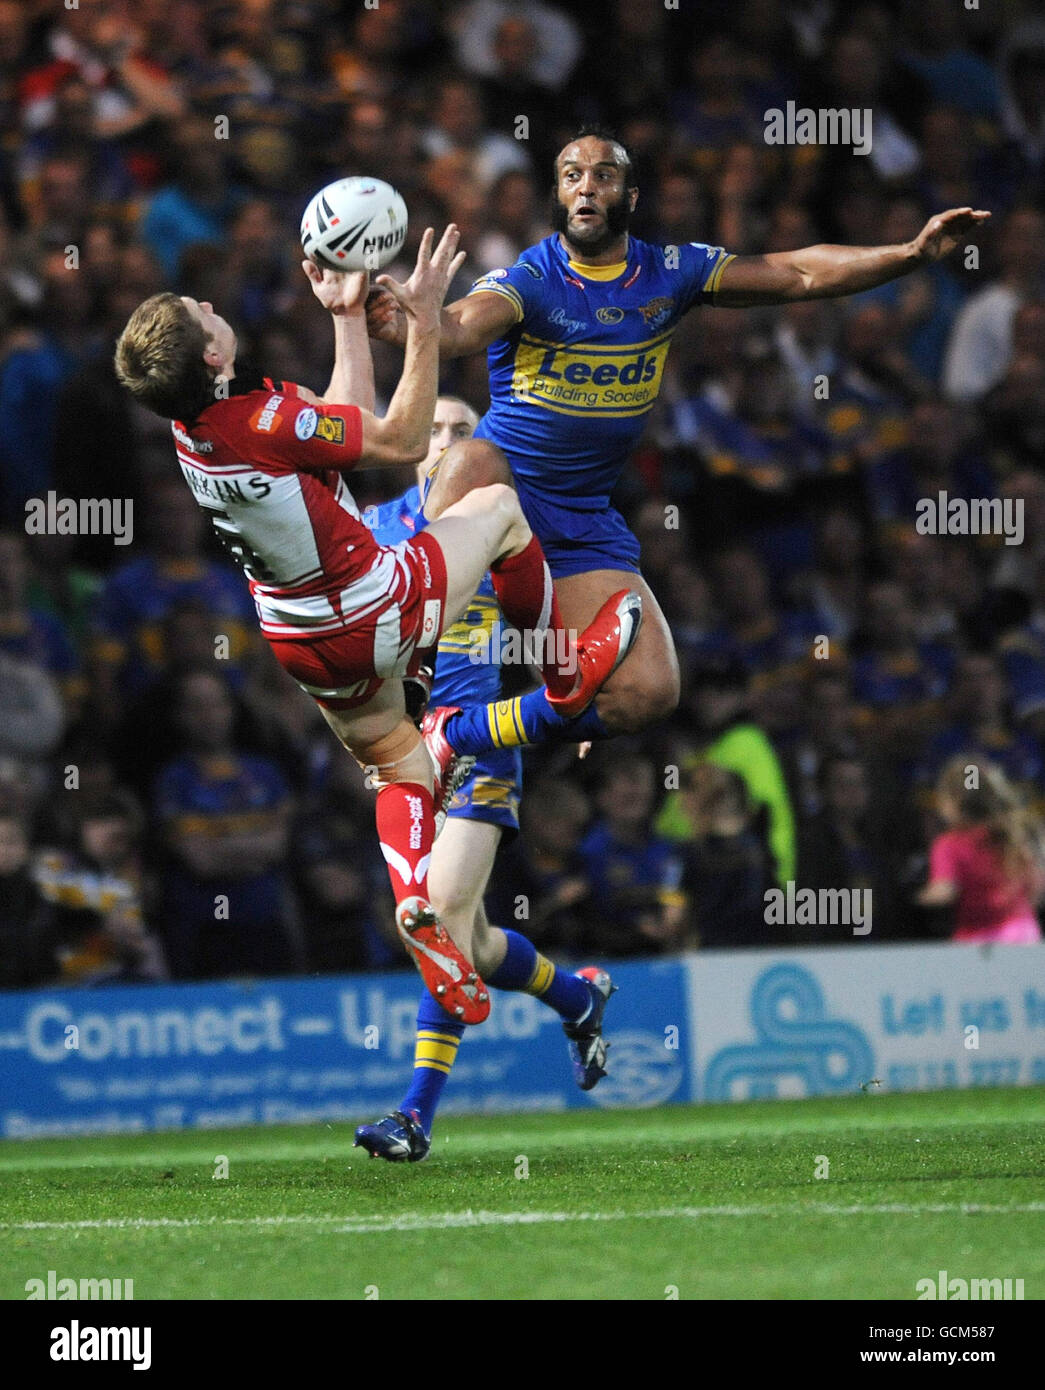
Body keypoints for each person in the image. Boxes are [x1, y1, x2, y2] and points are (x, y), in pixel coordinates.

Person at [114, 224, 640, 1023]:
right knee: (497, 510)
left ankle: (415, 904)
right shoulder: (257, 420)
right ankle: (563, 680)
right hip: (370, 603)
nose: (213, 304)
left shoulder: (198, 425)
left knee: (400, 764)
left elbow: (341, 428)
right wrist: (427, 324)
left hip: (299, 644)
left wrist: (346, 318)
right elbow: (393, 439)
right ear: (213, 358)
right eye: (201, 310)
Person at [368, 125, 989, 756]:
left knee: (647, 692)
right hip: (498, 495)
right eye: (571, 176)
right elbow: (461, 328)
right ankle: (413, 659)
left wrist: (909, 253)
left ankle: (459, 735)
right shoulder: (529, 280)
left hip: (579, 520)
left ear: (631, 197)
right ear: (557, 196)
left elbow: (798, 272)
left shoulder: (669, 273)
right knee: (471, 458)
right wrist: (417, 323)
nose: (586, 187)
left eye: (603, 175)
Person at [355, 397, 622, 1162]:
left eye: (462, 430)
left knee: (435, 920)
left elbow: (544, 623)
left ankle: (414, 1116)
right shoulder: (377, 529)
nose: (445, 441)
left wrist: (571, 708)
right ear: (409, 448)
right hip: (404, 755)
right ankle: (577, 997)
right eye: (432, 430)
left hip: (479, 749)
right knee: (464, 936)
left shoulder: (504, 522)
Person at [916, 757, 1044, 944]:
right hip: (1025, 935)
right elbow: (1038, 888)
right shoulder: (1018, 834)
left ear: (952, 801)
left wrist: (910, 902)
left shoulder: (950, 844)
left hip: (978, 943)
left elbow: (943, 891)